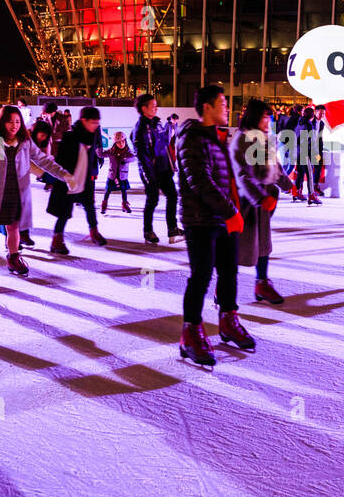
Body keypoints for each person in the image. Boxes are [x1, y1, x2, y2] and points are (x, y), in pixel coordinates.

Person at [176, 85, 254, 368]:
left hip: (222, 217)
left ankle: (228, 320)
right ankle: (190, 332)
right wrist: (230, 210)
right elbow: (200, 181)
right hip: (199, 219)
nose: (226, 108)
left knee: (229, 272)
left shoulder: (217, 138)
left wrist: (236, 208)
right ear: (206, 108)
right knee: (201, 276)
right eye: (222, 103)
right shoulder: (192, 138)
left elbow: (227, 178)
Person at [0, 104, 78, 275]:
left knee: (13, 227)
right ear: (1, 122)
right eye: (10, 122)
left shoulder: (25, 142)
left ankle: (13, 258)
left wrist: (65, 175)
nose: (14, 125)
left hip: (16, 192)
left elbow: (44, 161)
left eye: (17, 121)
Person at [230, 99, 290, 305]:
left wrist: (288, 185)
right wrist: (260, 198)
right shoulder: (242, 139)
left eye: (270, 117)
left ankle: (261, 283)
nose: (269, 120)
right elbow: (242, 174)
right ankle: (224, 289)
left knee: (263, 245)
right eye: (266, 116)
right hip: (246, 203)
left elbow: (276, 167)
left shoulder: (265, 139)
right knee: (238, 249)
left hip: (264, 202)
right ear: (255, 116)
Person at [47, 106, 105, 251]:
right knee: (64, 212)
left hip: (85, 179)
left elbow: (90, 158)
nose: (96, 126)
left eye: (97, 123)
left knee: (90, 207)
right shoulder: (70, 136)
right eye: (93, 122)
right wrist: (63, 179)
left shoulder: (92, 135)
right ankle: (57, 240)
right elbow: (60, 160)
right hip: (69, 181)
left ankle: (94, 232)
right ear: (83, 120)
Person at [133, 94, 182, 244]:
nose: (156, 108)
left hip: (163, 168)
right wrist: (149, 174)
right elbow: (141, 154)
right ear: (144, 108)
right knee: (152, 200)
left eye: (156, 105)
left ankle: (172, 227)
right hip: (150, 171)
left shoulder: (157, 123)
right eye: (153, 106)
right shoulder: (140, 128)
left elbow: (165, 140)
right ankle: (148, 230)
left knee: (172, 195)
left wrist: (170, 123)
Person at [292, 106, 323, 204]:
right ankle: (311, 195)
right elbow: (312, 143)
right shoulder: (309, 125)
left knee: (300, 173)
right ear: (313, 115)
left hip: (299, 151)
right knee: (309, 174)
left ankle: (297, 192)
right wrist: (317, 156)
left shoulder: (300, 123)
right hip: (305, 153)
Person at [100, 130, 135, 214]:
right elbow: (101, 154)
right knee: (108, 190)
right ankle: (104, 204)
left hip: (122, 175)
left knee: (123, 190)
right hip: (112, 175)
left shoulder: (127, 151)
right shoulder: (111, 151)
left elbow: (133, 157)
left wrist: (125, 160)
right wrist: (98, 146)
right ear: (115, 143)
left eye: (123, 141)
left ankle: (124, 204)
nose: (121, 144)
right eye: (118, 142)